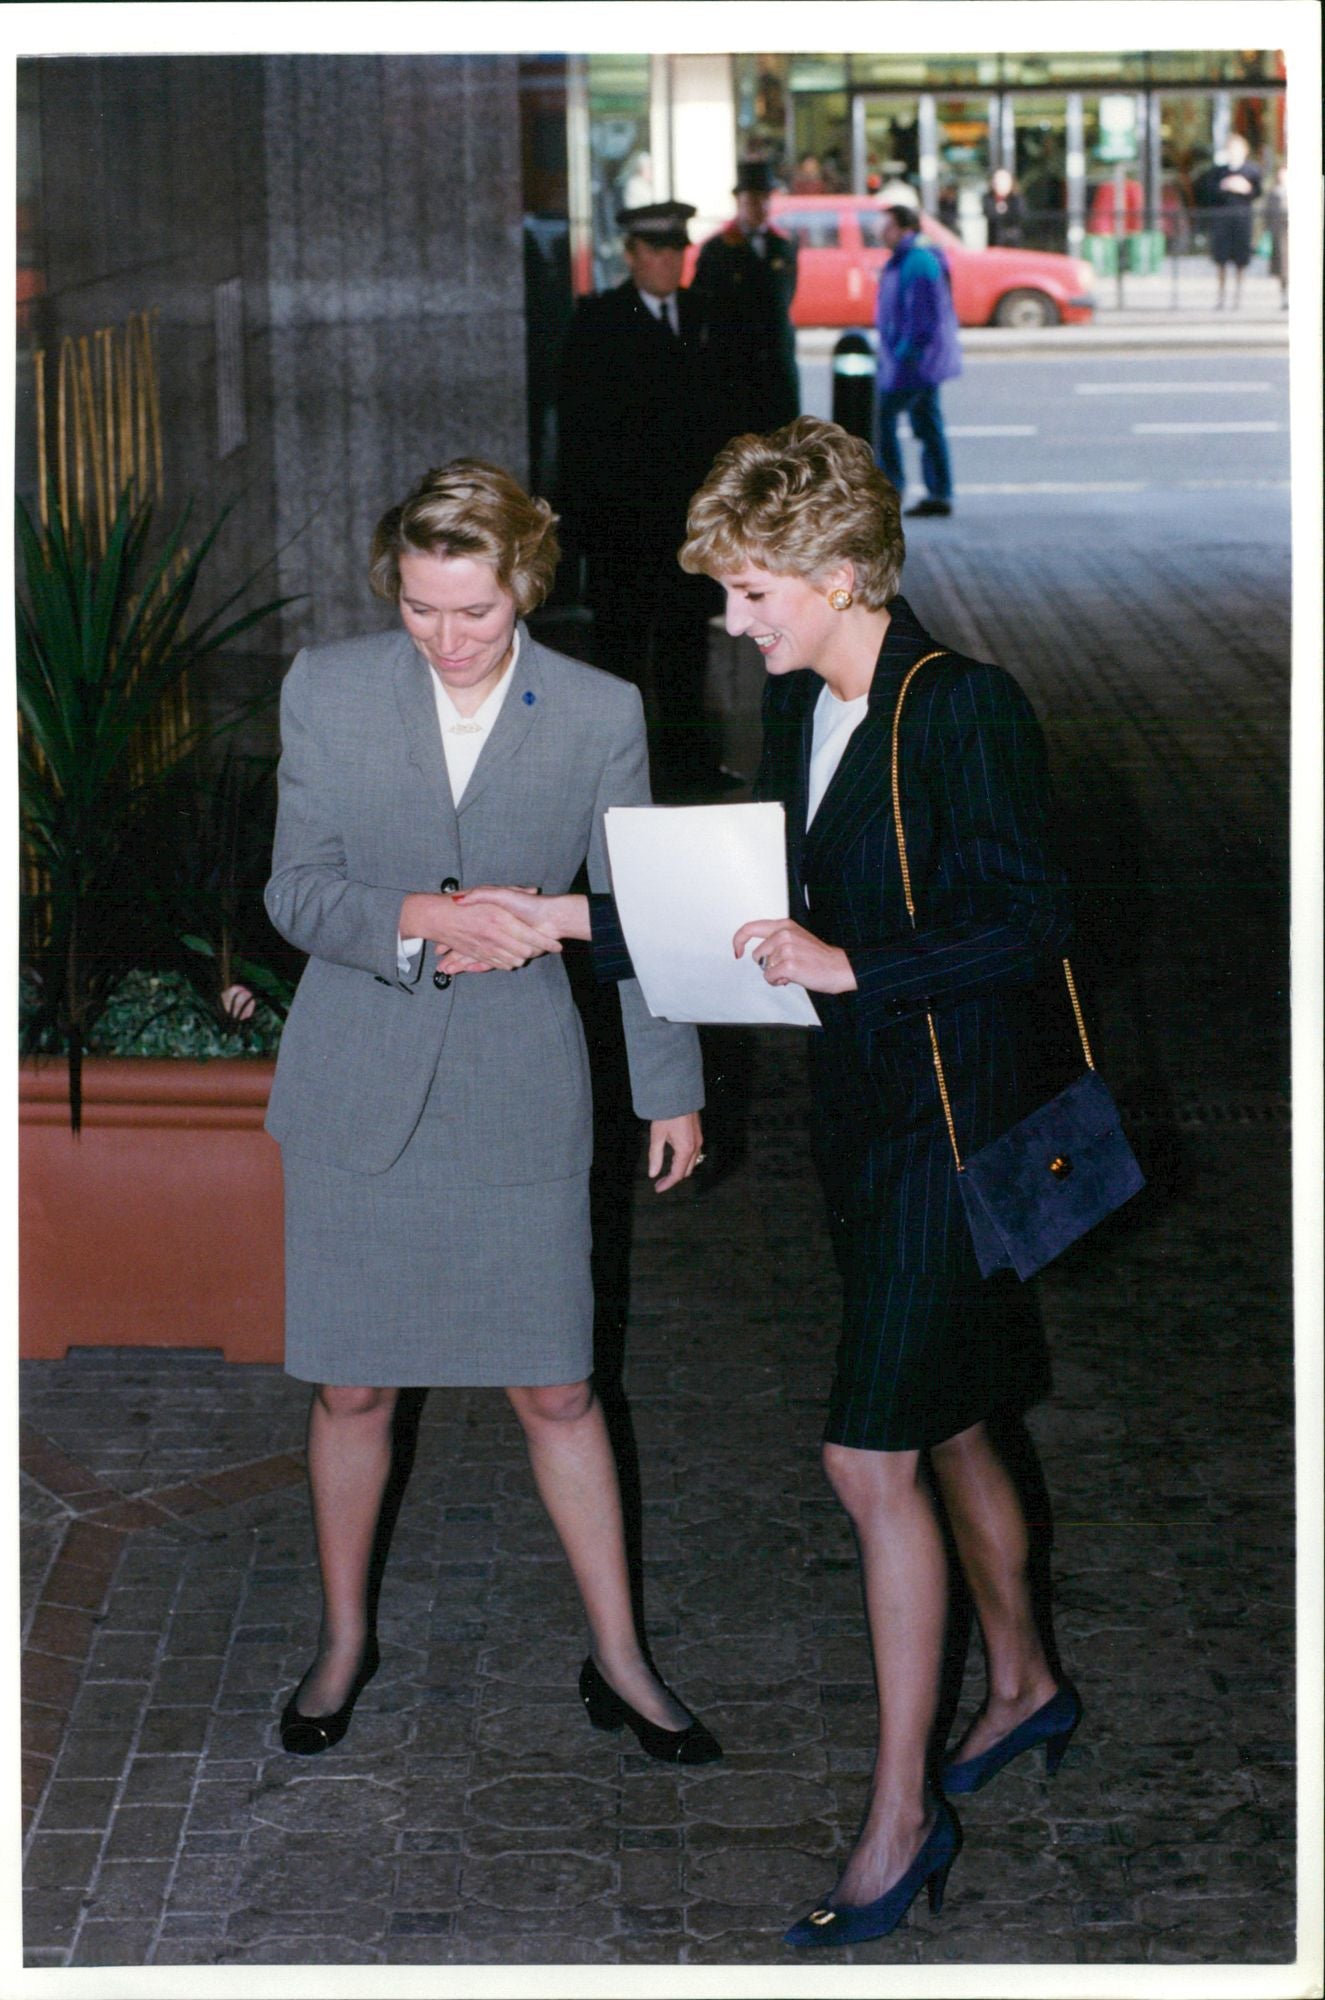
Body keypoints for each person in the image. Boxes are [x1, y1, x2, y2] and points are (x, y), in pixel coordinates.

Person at [463, 418, 1082, 1949]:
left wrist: (853, 961)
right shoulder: (817, 709)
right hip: (870, 1132)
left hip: (954, 1135)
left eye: (750, 594)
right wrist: (566, 923)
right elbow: (749, 925)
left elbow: (1034, 918)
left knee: (868, 1457)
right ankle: (1025, 1685)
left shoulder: (959, 711)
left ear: (834, 570)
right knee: (952, 1417)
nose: (733, 624)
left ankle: (899, 1815)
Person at [263, 457, 721, 1767]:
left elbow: (644, 910)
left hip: (520, 1088)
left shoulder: (597, 712)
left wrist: (669, 1083)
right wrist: (421, 920)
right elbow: (296, 892)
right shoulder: (327, 689)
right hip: (360, 1084)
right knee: (353, 1392)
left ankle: (620, 1656)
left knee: (560, 1390)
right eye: (421, 610)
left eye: (475, 611)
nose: (449, 640)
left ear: (524, 582)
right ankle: (344, 1639)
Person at [557, 199, 735, 795]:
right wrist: (577, 526)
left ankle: (691, 766)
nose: (668, 262)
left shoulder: (708, 316)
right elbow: (580, 433)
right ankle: (618, 774)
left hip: (687, 525)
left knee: (687, 650)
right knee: (621, 656)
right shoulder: (599, 320)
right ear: (631, 255)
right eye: (655, 251)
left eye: (676, 250)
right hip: (623, 526)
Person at [691, 158, 800, 434]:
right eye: (752, 199)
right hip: (734, 376)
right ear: (738, 201)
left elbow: (784, 300)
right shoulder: (716, 250)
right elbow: (700, 308)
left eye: (765, 199)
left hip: (776, 373)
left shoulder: (784, 246)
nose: (760, 206)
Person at [873, 204, 962, 520]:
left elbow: (922, 319)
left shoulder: (917, 261)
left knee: (883, 419)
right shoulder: (906, 259)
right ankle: (938, 493)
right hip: (916, 360)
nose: (881, 232)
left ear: (903, 228)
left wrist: (902, 357)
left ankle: (894, 488)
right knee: (925, 423)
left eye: (887, 226)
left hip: (915, 362)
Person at [1194, 135, 1262, 307]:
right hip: (1222, 219)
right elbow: (1207, 193)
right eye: (1231, 149)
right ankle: (1221, 296)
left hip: (1242, 219)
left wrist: (1246, 188)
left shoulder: (1252, 171)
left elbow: (1257, 192)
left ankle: (1238, 296)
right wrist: (1224, 185)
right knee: (1221, 259)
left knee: (1240, 258)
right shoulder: (1219, 171)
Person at [1264, 162, 1288, 308]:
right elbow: (1268, 215)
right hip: (1280, 235)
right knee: (1283, 269)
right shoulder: (1274, 193)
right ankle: (1285, 297)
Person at [981, 167, 1024, 246]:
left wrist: (1001, 211)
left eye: (1003, 181)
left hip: (1013, 241)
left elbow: (1018, 215)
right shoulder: (988, 198)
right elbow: (990, 214)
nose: (998, 184)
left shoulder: (1016, 199)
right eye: (996, 181)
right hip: (994, 241)